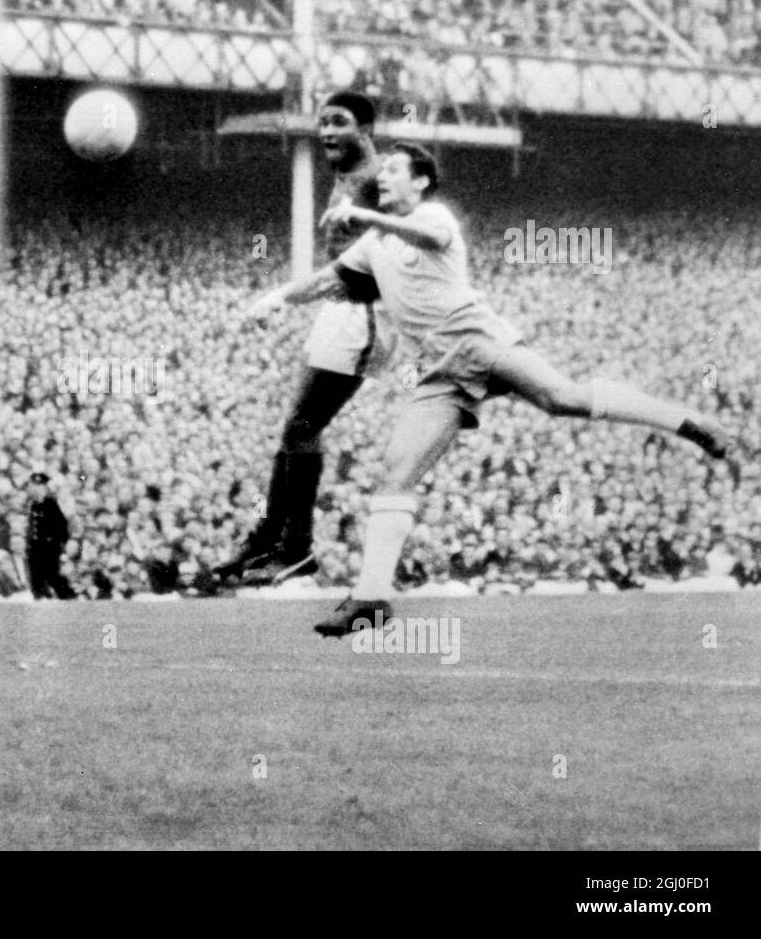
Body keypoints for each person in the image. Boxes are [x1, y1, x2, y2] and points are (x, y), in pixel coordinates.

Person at [253, 144, 732, 636]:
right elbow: (327, 279)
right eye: (383, 172)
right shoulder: (374, 243)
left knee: (561, 399)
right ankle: (371, 600)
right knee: (394, 474)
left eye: (395, 170)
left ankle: (688, 421)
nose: (384, 177)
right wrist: (276, 298)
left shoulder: (432, 214)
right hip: (438, 369)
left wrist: (362, 213)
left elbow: (428, 234)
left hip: (477, 341)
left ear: (420, 181)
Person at [217, 91, 395, 587]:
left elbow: (374, 257)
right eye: (322, 124)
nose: (327, 132)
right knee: (293, 431)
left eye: (339, 123)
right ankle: (268, 537)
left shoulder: (379, 180)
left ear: (366, 129)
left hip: (365, 312)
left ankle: (296, 548)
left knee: (303, 427)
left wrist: (282, 296)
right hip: (341, 309)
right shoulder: (346, 175)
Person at [25, 472, 74, 600]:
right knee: (36, 580)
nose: (37, 489)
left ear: (45, 488)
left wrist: (61, 549)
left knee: (54, 577)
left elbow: (62, 529)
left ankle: (68, 599)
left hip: (49, 549)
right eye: (34, 486)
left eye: (40, 486)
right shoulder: (31, 505)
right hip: (34, 549)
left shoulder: (51, 505)